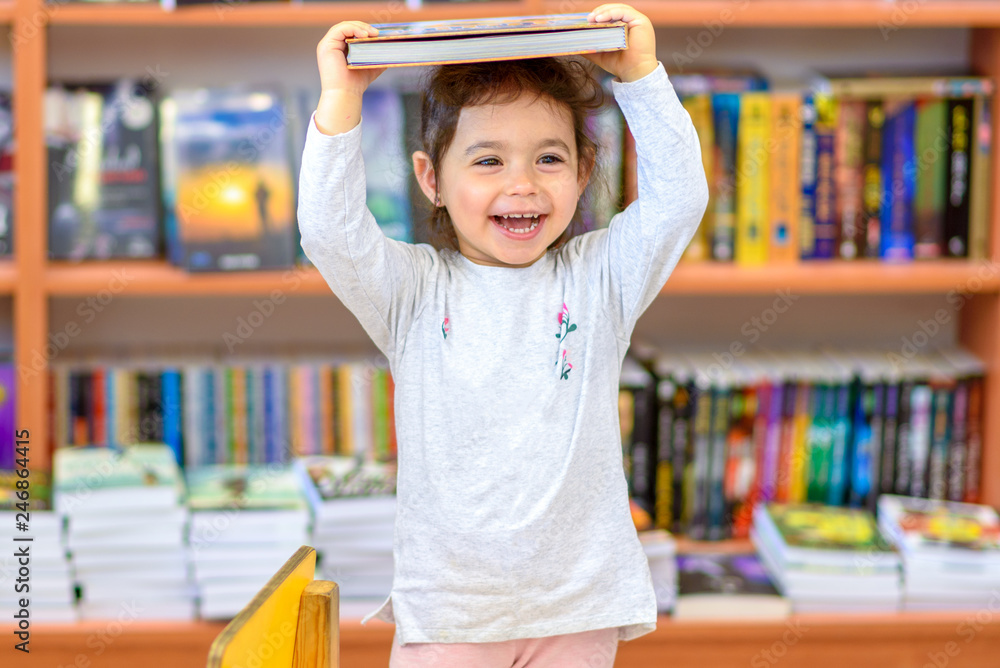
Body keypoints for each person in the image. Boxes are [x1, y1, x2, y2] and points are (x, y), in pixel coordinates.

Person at [298, 4, 709, 666]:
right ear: (432, 180)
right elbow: (329, 233)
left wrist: (639, 75)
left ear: (583, 172)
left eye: (549, 158)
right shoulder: (414, 292)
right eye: (487, 161)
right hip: (452, 613)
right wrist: (342, 98)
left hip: (578, 608)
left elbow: (678, 202)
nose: (522, 185)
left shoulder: (601, 279)